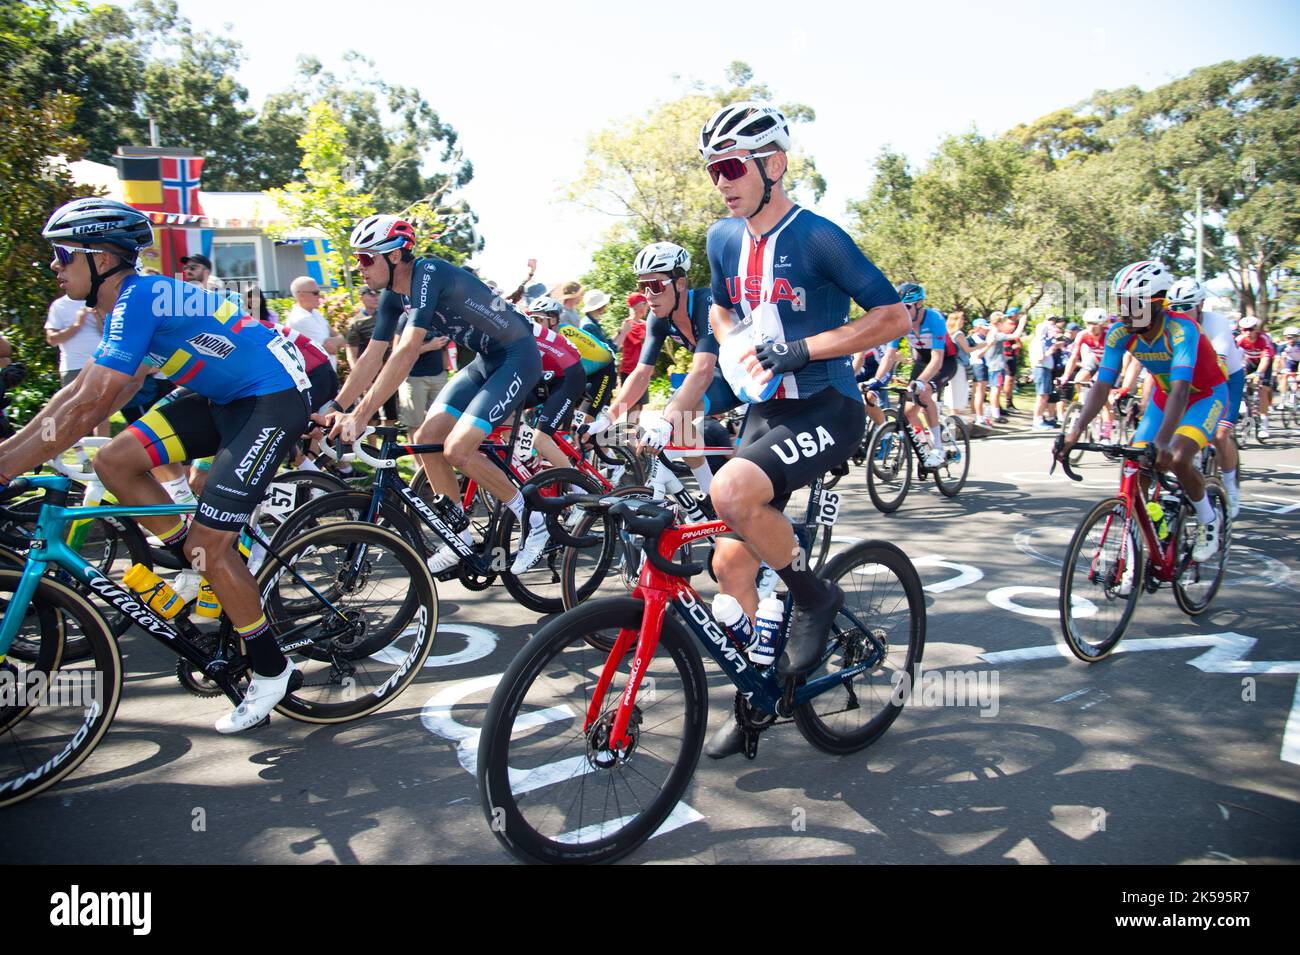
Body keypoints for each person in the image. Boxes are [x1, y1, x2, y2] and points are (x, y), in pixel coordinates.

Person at [3, 198, 312, 732]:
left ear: (99, 257)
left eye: (61, 255)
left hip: (271, 397)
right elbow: (80, 392)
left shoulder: (138, 299)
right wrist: (8, 457)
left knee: (210, 546)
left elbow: (89, 407)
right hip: (224, 397)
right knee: (113, 461)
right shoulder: (123, 303)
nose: (53, 267)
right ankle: (198, 559)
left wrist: (6, 468)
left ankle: (271, 668)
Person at [687, 102, 907, 758]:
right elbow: (722, 310)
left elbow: (893, 317)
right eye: (712, 170)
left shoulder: (819, 237)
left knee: (731, 495)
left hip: (826, 408)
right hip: (767, 410)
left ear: (773, 164)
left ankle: (813, 598)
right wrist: (729, 348)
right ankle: (764, 688)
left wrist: (805, 351)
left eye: (731, 166)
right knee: (727, 562)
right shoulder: (722, 238)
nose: (721, 181)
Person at [325, 215, 542, 574]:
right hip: (487, 361)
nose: (359, 268)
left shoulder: (428, 273)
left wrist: (362, 415)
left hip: (518, 356)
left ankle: (534, 519)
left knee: (458, 449)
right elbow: (371, 356)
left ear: (395, 255)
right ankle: (459, 536)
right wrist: (336, 406)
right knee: (426, 438)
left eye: (366, 259)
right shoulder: (392, 297)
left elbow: (407, 351)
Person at [1058, 261, 1227, 564]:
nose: (1124, 313)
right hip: (1166, 397)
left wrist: (1162, 441)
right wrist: (1074, 431)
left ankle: (1208, 518)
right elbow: (1101, 385)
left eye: (1133, 305)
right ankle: (1139, 537)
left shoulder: (1182, 329)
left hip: (1204, 395)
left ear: (1158, 303)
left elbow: (1181, 389)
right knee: (1134, 464)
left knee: (1176, 456)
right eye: (1121, 304)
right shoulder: (1119, 332)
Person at [588, 241, 739, 497]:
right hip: (718, 379)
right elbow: (641, 373)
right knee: (681, 424)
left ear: (680, 283)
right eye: (642, 287)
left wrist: (664, 422)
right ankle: (711, 496)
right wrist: (607, 417)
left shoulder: (706, 304)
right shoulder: (658, 319)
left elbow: (702, 370)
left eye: (655, 286)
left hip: (747, 377)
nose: (648, 295)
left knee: (676, 414)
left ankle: (720, 498)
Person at [1167, 277, 1245, 516]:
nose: (1180, 312)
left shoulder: (1216, 322)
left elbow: (1219, 365)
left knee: (1220, 433)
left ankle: (1231, 486)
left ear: (1200, 305)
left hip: (1225, 378)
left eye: (1185, 307)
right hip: (1192, 380)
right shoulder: (1172, 326)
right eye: (1174, 307)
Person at [874, 283, 953, 466]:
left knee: (924, 393)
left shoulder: (934, 319)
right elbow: (889, 355)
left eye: (907, 307)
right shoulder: (901, 323)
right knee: (909, 411)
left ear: (919, 304)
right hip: (922, 362)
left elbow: (937, 358)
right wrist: (876, 380)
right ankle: (924, 446)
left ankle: (938, 449)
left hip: (944, 362)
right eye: (900, 307)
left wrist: (921, 382)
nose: (903, 311)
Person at [45, 295, 111, 437]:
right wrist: (77, 324)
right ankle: (73, 451)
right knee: (72, 411)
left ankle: (102, 451)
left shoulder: (98, 300)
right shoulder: (59, 305)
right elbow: (52, 339)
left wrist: (98, 317)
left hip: (100, 364)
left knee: (101, 409)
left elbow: (110, 334)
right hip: (73, 366)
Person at [286, 276, 345, 368]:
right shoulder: (300, 319)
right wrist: (339, 340)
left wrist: (338, 340)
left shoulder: (315, 313)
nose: (320, 296)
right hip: (315, 378)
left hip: (326, 375)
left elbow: (338, 339)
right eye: (315, 293)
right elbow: (331, 349)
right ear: (301, 295)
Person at [1236, 316, 1276, 439]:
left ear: (1256, 329)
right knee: (1240, 382)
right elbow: (1234, 356)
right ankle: (1244, 407)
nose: (1248, 332)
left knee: (1262, 389)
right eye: (1244, 330)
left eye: (1251, 329)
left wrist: (1258, 374)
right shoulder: (1240, 339)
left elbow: (1265, 359)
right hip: (1249, 361)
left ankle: (1264, 424)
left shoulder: (1263, 339)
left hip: (1264, 363)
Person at [613, 292, 649, 425]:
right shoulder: (628, 324)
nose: (647, 308)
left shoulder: (645, 324)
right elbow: (639, 339)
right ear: (640, 306)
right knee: (631, 407)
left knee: (639, 408)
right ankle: (628, 440)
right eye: (646, 305)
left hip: (642, 370)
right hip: (630, 371)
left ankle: (633, 438)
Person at [1030, 316, 1067, 431]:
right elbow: (1040, 358)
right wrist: (1052, 350)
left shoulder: (1043, 342)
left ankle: (1040, 419)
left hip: (1045, 369)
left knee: (1045, 395)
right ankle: (1037, 420)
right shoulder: (1038, 342)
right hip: (1041, 368)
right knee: (1041, 396)